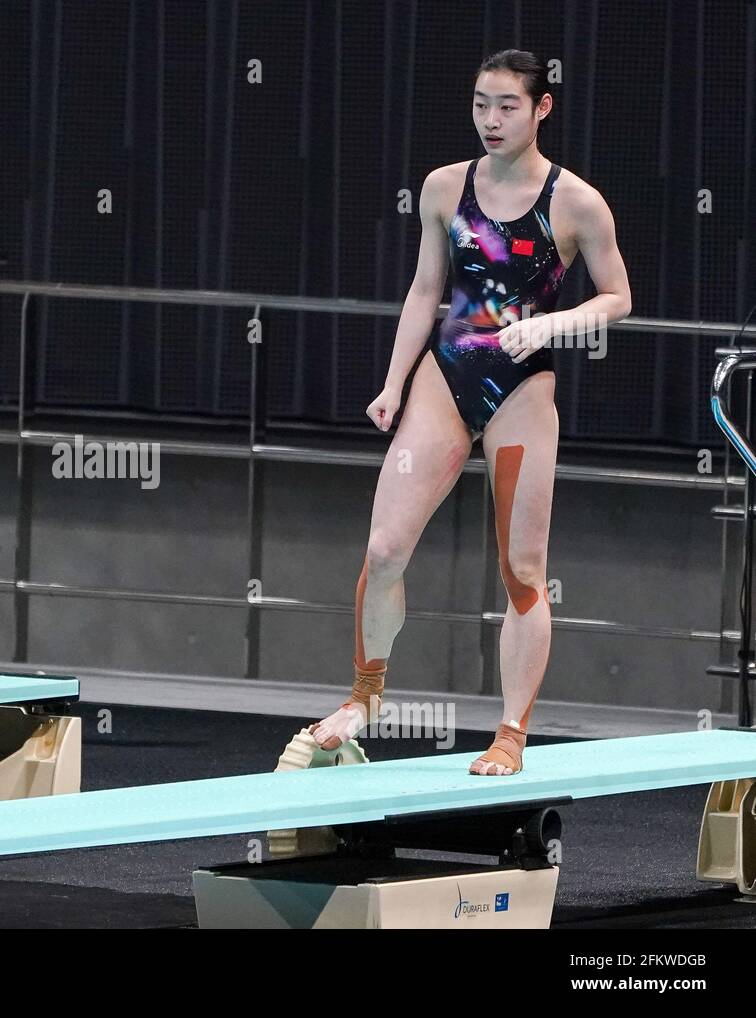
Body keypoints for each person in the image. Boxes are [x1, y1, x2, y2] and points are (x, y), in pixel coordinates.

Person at [308, 49, 632, 775]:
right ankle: (365, 695)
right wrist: (394, 382)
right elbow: (427, 290)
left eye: (508, 106)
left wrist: (549, 326)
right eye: (481, 103)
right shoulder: (443, 188)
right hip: (446, 375)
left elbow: (618, 298)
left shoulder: (575, 201)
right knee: (385, 548)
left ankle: (511, 734)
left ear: (542, 108)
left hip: (522, 389)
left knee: (521, 571)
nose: (491, 119)